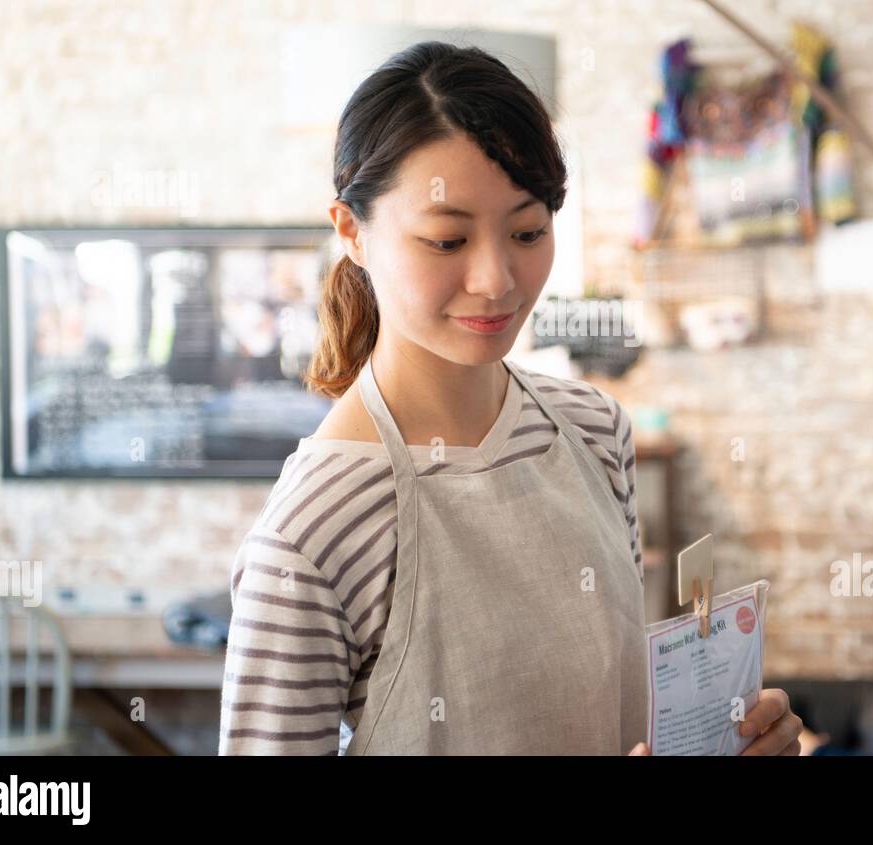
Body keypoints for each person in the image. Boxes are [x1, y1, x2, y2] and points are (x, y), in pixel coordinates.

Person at [218, 40, 805, 755]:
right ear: (352, 233)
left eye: (527, 230)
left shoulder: (594, 432)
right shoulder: (313, 532)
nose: (497, 278)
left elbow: (608, 707)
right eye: (446, 239)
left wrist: (718, 734)